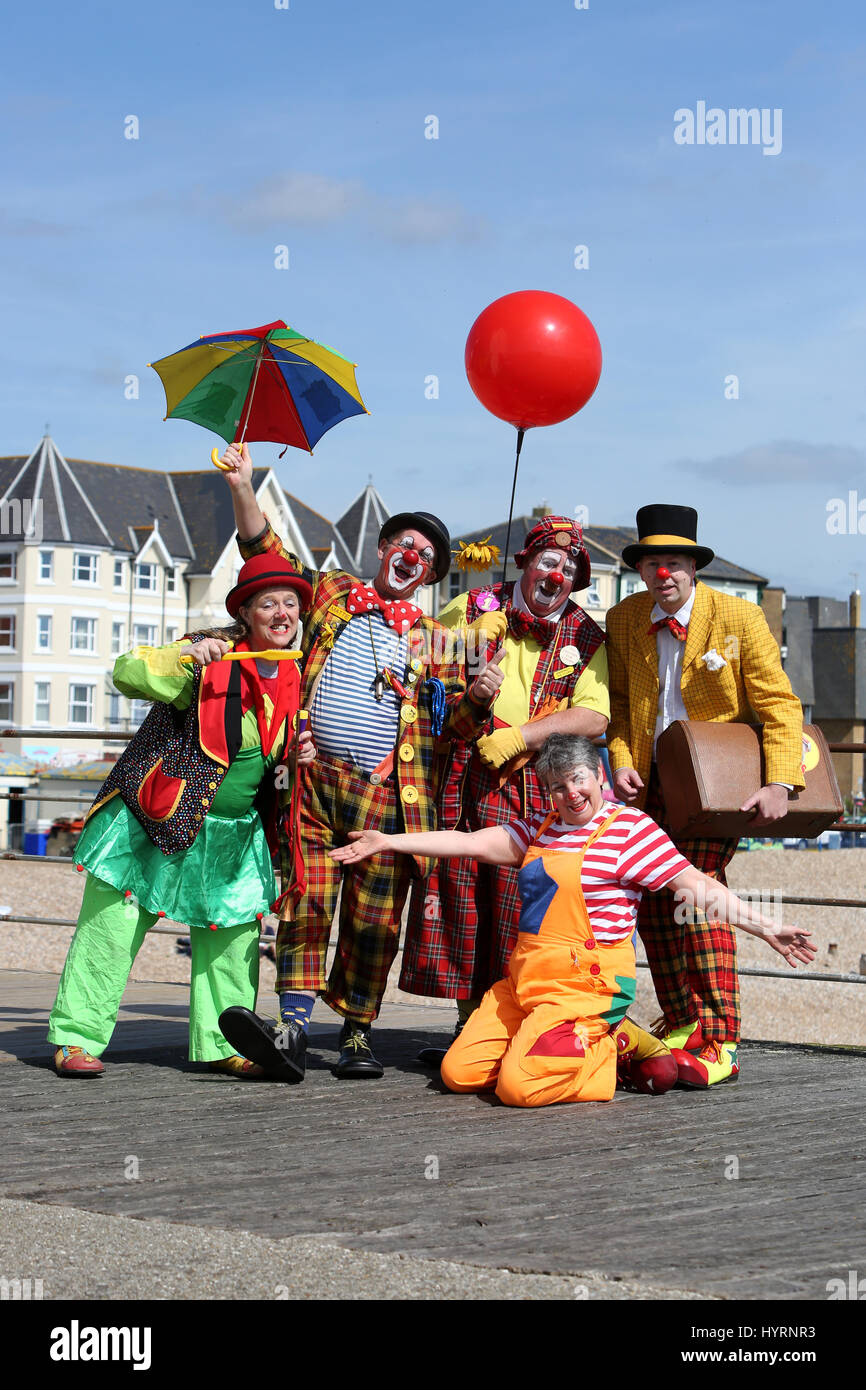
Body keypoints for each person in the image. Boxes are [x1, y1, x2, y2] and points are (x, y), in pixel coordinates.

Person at [216, 443, 503, 1082]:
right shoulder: (328, 593)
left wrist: (478, 701)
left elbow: (449, 729)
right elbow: (266, 557)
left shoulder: (441, 641)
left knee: (374, 917)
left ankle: (356, 1033)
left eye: (426, 557)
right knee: (306, 902)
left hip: (388, 795)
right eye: (403, 544)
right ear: (381, 550)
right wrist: (242, 484)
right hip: (313, 781)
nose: (412, 558)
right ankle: (291, 1028)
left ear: (432, 577)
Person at [331, 735, 815, 1106]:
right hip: (526, 985)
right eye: (557, 786)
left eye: (578, 779)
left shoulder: (630, 830)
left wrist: (767, 926)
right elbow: (469, 842)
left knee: (518, 1088)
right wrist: (389, 841)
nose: (570, 793)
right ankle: (591, 1041)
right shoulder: (539, 828)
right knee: (459, 1075)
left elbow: (698, 886)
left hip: (588, 985)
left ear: (599, 776)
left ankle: (609, 1048)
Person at [48, 554, 314, 1079]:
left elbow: (262, 759)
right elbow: (125, 671)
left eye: (290, 603)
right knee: (111, 929)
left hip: (232, 833)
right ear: (246, 613)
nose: (282, 614)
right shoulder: (209, 654)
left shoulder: (293, 674)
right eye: (268, 604)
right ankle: (75, 1038)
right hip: (155, 816)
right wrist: (187, 656)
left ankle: (224, 1044)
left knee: (232, 935)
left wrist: (293, 756)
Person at [605, 504, 805, 1087]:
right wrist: (619, 763)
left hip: (717, 789)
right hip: (649, 787)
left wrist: (780, 781)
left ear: (693, 568)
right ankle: (681, 1021)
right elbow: (618, 711)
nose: (662, 574)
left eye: (673, 562)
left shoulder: (740, 618)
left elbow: (779, 705)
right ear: (640, 570)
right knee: (654, 907)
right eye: (651, 564)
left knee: (701, 899)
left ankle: (721, 1039)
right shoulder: (622, 620)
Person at [401, 516, 610, 1064]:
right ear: (526, 561)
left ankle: (518, 1029)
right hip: (469, 775)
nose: (557, 573)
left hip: (542, 785)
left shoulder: (589, 636)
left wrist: (522, 736)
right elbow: (419, 659)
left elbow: (593, 716)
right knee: (466, 897)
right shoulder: (473, 606)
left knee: (529, 908)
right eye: (548, 561)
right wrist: (466, 672)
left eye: (569, 569)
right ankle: (470, 1028)